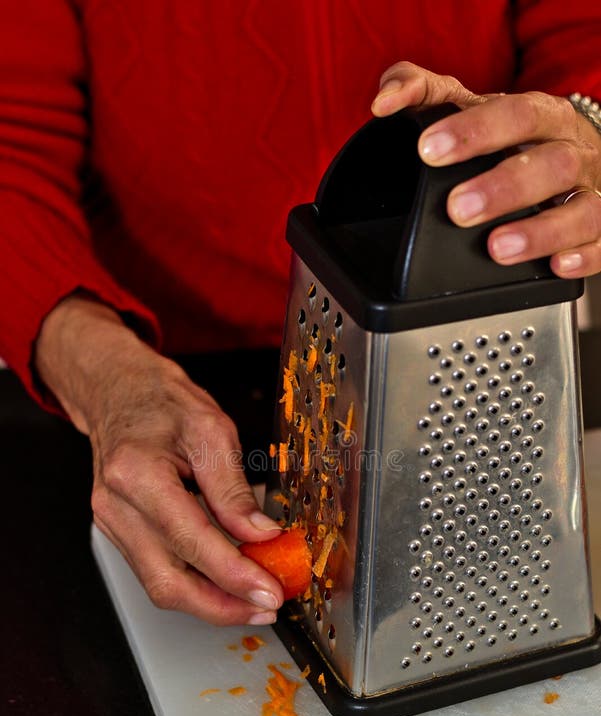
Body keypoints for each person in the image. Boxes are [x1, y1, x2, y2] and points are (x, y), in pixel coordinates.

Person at [1, 1, 600, 627]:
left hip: (461, 339)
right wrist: (105, 375)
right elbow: (10, 150)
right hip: (164, 388)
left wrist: (584, 129)